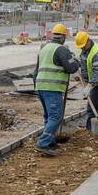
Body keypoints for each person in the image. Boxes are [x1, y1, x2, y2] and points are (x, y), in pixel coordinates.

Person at [33, 24, 82, 157]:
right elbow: (71, 68)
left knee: (49, 116)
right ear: (64, 37)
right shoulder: (62, 50)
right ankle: (42, 143)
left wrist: (36, 86)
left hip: (41, 86)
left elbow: (36, 70)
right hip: (52, 87)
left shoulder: (44, 48)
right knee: (56, 116)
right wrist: (76, 61)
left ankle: (51, 140)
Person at [75, 31, 98, 131]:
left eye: (83, 46)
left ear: (88, 41)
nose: (82, 48)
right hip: (92, 82)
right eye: (81, 46)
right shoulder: (85, 51)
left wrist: (89, 86)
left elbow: (97, 73)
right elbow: (84, 65)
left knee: (92, 107)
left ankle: (89, 130)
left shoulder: (96, 53)